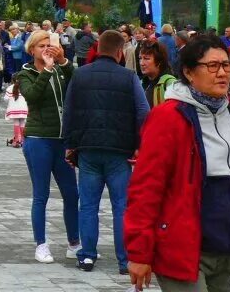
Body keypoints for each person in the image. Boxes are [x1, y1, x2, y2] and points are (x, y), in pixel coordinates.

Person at [125, 36, 230, 292]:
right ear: (189, 72)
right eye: (212, 66)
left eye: (226, 65)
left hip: (226, 249)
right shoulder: (169, 118)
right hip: (182, 249)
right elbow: (146, 188)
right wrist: (139, 252)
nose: (222, 73)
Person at [62, 29, 150, 274]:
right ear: (120, 52)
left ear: (98, 48)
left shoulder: (80, 75)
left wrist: (69, 145)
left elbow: (68, 111)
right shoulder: (129, 77)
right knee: (121, 206)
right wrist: (139, 144)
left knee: (88, 205)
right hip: (119, 151)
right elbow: (143, 111)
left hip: (87, 149)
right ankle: (124, 261)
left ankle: (87, 256)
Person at [18, 29, 80, 264]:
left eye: (49, 45)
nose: (46, 49)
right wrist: (46, 70)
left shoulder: (59, 69)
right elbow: (32, 96)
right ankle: (41, 244)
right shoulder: (26, 73)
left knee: (71, 194)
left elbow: (77, 82)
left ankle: (74, 242)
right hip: (38, 139)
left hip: (62, 140)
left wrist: (63, 61)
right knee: (41, 194)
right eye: (41, 46)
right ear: (32, 49)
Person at [139, 41, 177, 108]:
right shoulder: (142, 82)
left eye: (146, 58)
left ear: (159, 62)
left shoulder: (170, 83)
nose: (141, 63)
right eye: (140, 58)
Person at [4, 77, 28, 148]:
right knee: (22, 123)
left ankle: (16, 140)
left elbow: (6, 99)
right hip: (23, 109)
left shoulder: (10, 88)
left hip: (14, 109)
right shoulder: (24, 87)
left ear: (12, 80)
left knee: (16, 123)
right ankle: (23, 140)